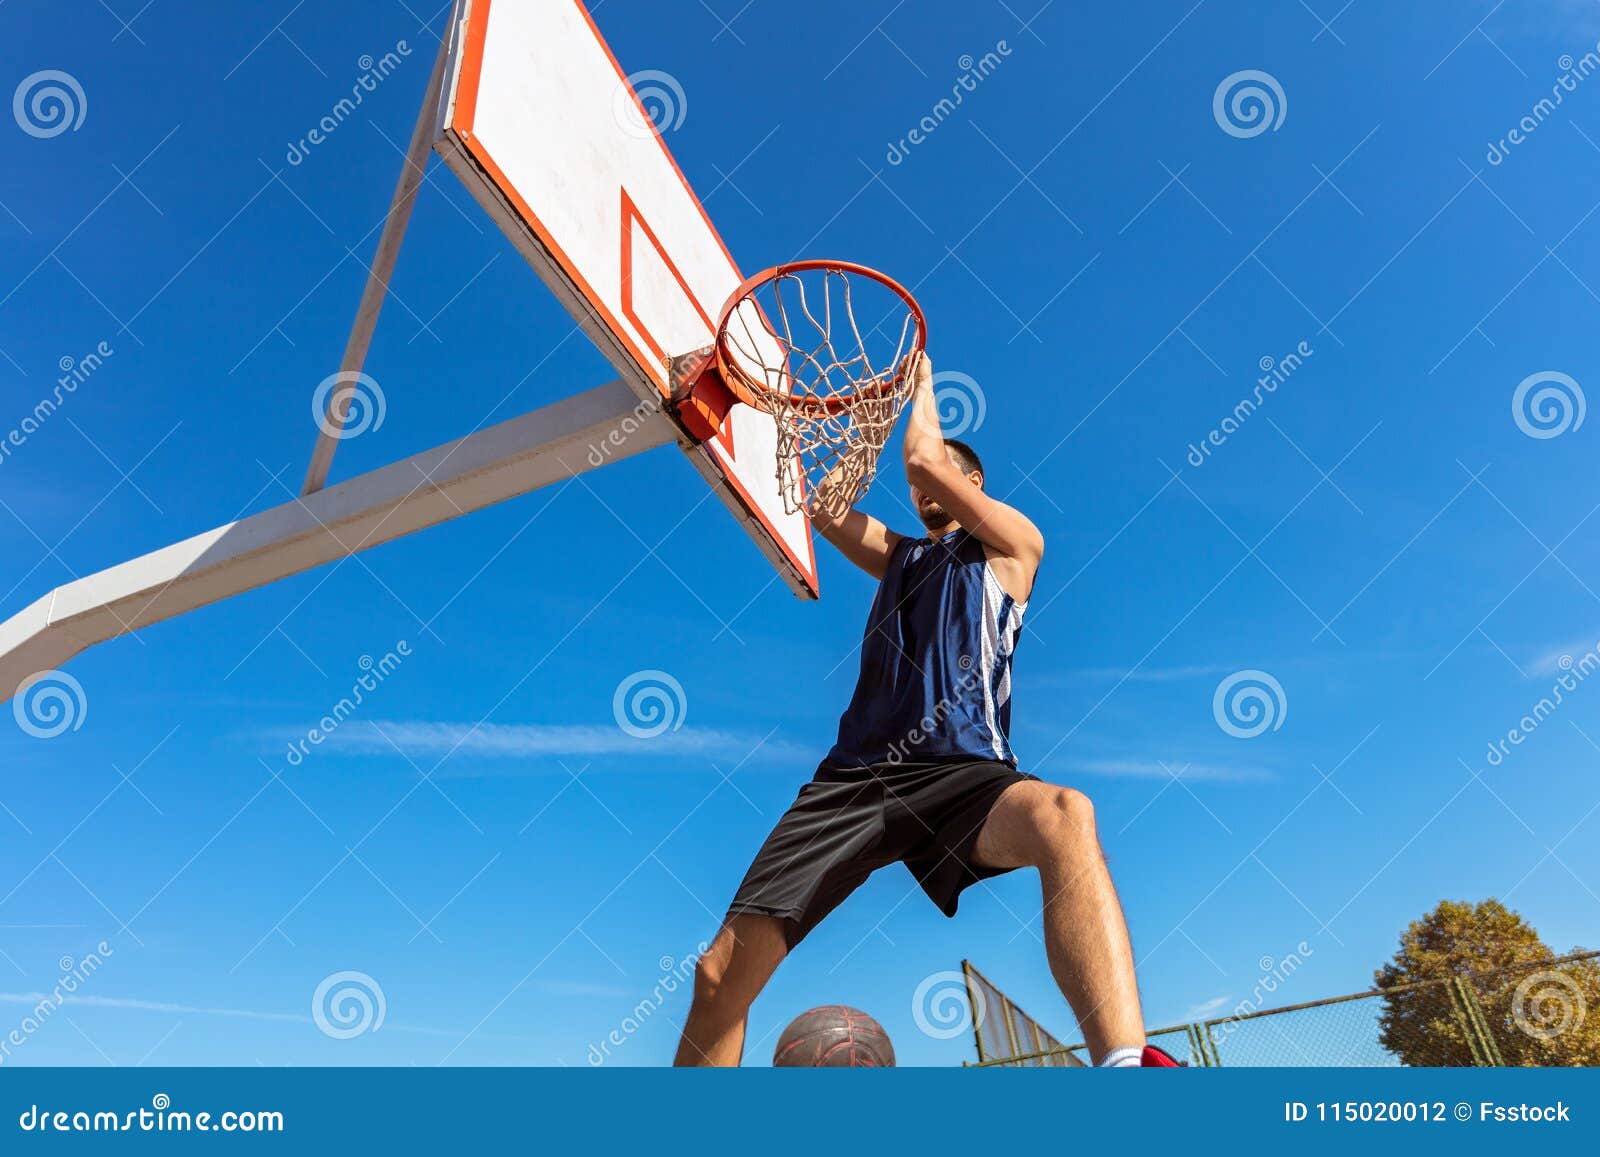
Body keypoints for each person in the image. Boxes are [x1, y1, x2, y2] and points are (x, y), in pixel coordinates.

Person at [674, 353, 1175, 1068]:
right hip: (853, 780)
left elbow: (924, 458)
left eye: (941, 476)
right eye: (918, 484)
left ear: (972, 484)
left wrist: (920, 380)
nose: (922, 488)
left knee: (1066, 813)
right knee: (717, 975)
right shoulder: (902, 557)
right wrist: (868, 418)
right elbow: (826, 510)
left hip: (964, 774)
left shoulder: (1012, 545)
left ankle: (1127, 1069)